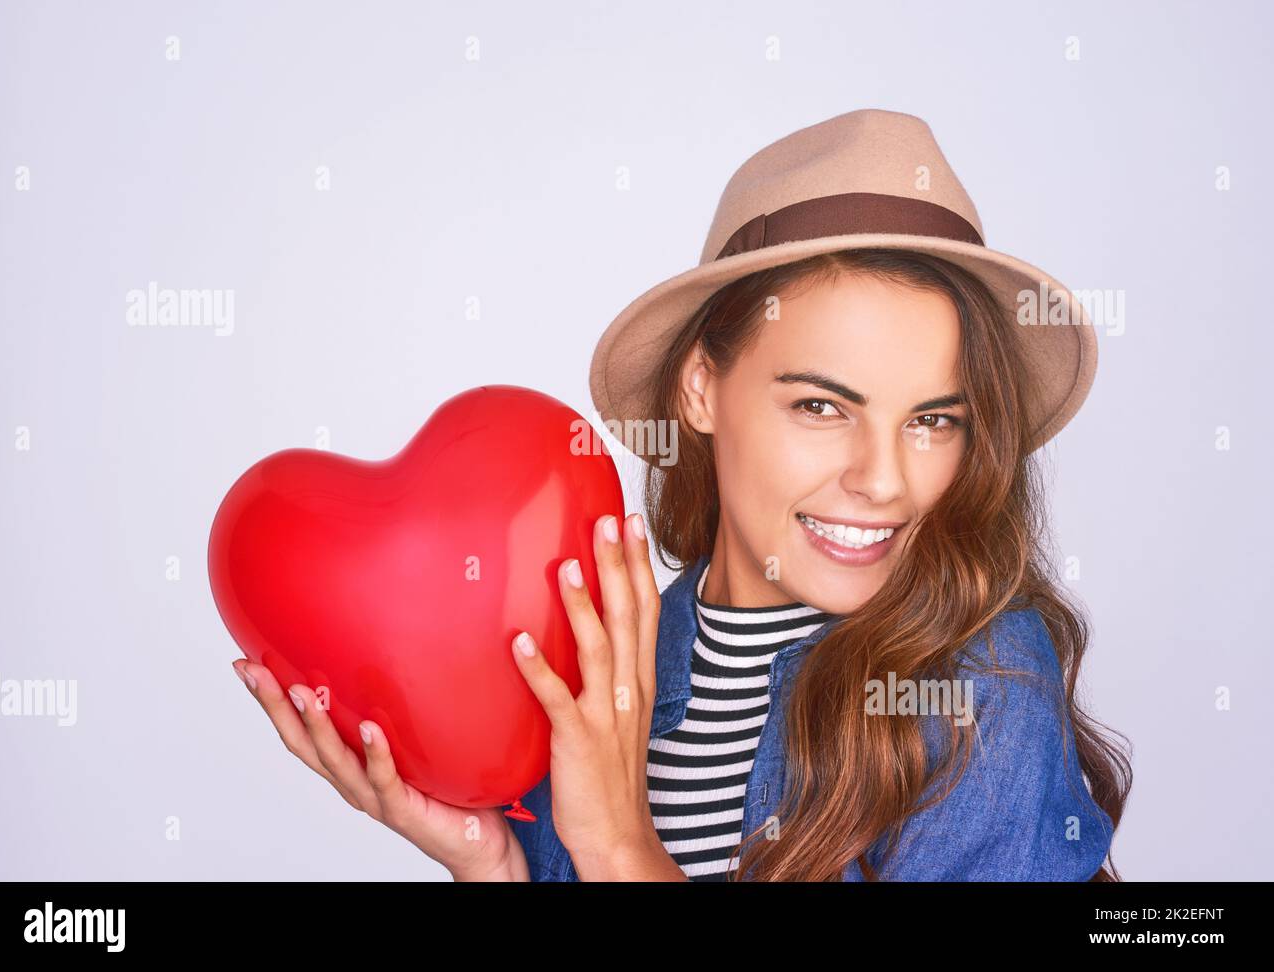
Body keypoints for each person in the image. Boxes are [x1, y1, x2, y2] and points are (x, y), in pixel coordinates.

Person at [232, 109, 1131, 881]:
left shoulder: (975, 681)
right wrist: (494, 863)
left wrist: (622, 849)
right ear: (701, 387)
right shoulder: (593, 666)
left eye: (934, 420)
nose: (885, 480)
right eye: (821, 405)